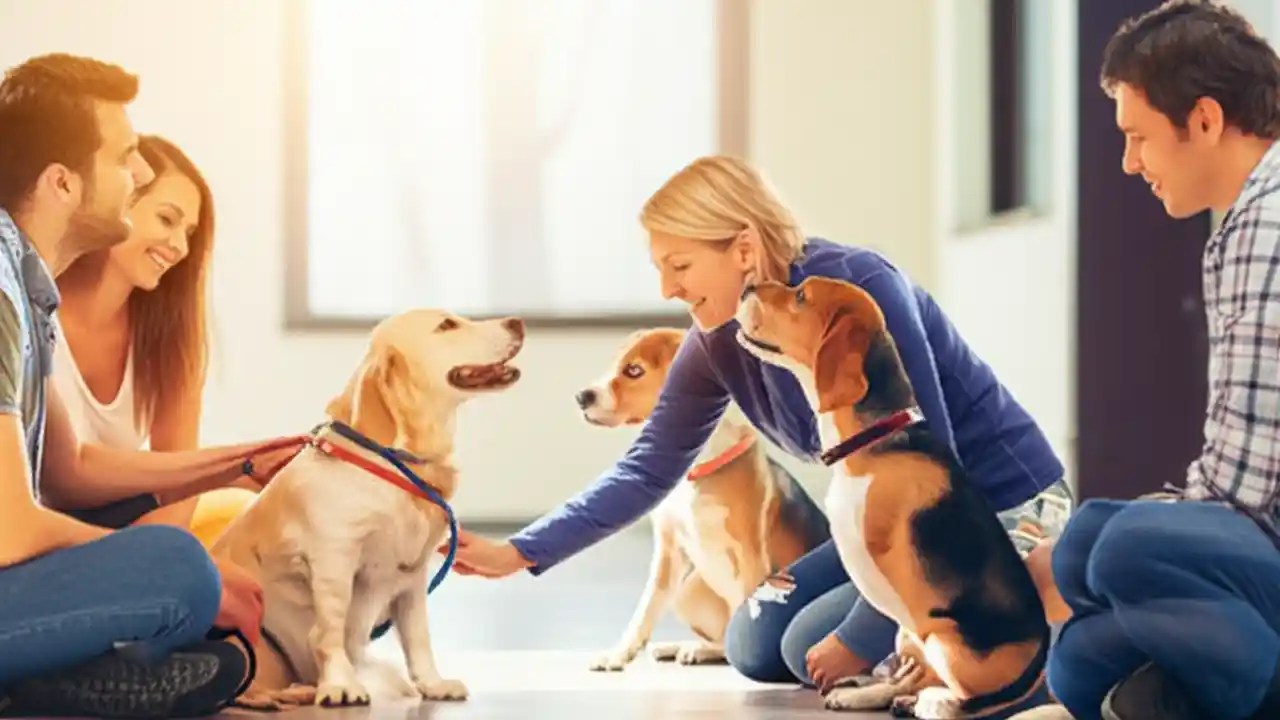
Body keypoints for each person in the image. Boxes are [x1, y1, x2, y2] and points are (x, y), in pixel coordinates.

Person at [447, 154, 1072, 693]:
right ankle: (923, 650)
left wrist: (862, 633)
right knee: (757, 641)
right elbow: (648, 469)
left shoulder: (857, 291)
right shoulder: (717, 341)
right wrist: (519, 552)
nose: (667, 287)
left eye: (680, 265)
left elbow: (935, 477)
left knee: (818, 645)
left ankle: (1021, 631)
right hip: (897, 527)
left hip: (990, 508)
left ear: (743, 249)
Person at [0, 53, 302, 717]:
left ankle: (60, 673)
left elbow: (71, 468)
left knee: (186, 561)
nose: (135, 174)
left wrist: (243, 462)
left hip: (24, 550)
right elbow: (12, 527)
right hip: (13, 549)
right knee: (177, 568)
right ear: (62, 183)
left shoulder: (26, 291)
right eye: (125, 157)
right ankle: (53, 674)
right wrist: (171, 567)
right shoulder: (4, 292)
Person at [1020, 4, 1280, 720]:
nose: (1131, 162)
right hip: (1259, 537)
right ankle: (1205, 688)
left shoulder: (1270, 222)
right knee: (1079, 648)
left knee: (1120, 549)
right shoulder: (1238, 225)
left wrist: (1154, 525)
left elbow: (1246, 491)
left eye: (1138, 138)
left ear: (1202, 119)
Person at [51, 133, 256, 544]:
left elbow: (179, 482)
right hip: (37, 530)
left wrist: (150, 560)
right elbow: (58, 474)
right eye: (167, 219)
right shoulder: (35, 310)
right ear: (117, 202)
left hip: (119, 526)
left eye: (190, 233)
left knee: (246, 506)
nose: (180, 246)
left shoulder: (170, 340)